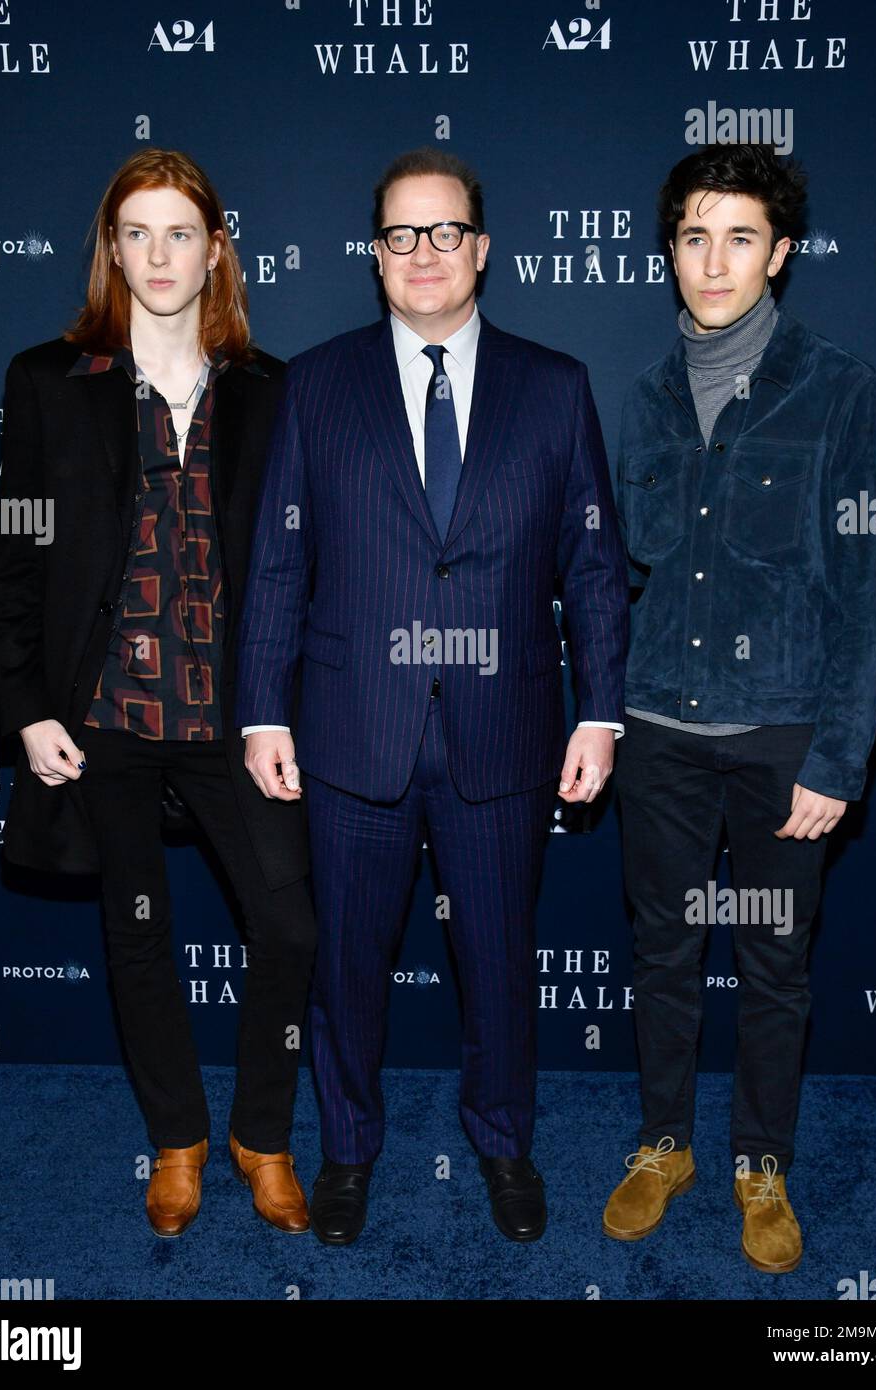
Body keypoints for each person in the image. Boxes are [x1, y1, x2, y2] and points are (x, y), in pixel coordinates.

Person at [237, 147, 629, 1245]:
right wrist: (262, 709)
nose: (423, 253)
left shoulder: (554, 388)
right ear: (374, 256)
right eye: (401, 234)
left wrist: (598, 709)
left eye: (444, 231)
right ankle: (349, 1149)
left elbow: (591, 565)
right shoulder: (315, 384)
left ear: (482, 249)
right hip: (350, 734)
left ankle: (503, 1144)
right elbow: (276, 562)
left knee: (500, 963)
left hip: (502, 738)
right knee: (346, 969)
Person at [0, 149, 317, 1239]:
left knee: (286, 926)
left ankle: (258, 1136)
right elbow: (19, 562)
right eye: (139, 232)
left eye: (182, 232)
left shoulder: (269, 390)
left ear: (216, 245)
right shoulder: (49, 380)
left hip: (237, 716)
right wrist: (28, 707)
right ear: (111, 249)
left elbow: (297, 566)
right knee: (137, 929)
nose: (160, 254)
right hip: (106, 720)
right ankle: (176, 1137)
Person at [603, 144, 876, 1273]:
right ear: (668, 251)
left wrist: (835, 757)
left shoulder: (846, 391)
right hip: (660, 735)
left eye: (738, 235)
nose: (712, 258)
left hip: (783, 742)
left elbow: (875, 593)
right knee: (662, 955)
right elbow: (622, 581)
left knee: (774, 965)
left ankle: (758, 1162)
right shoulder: (638, 398)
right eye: (691, 234)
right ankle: (664, 1143)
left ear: (779, 252)